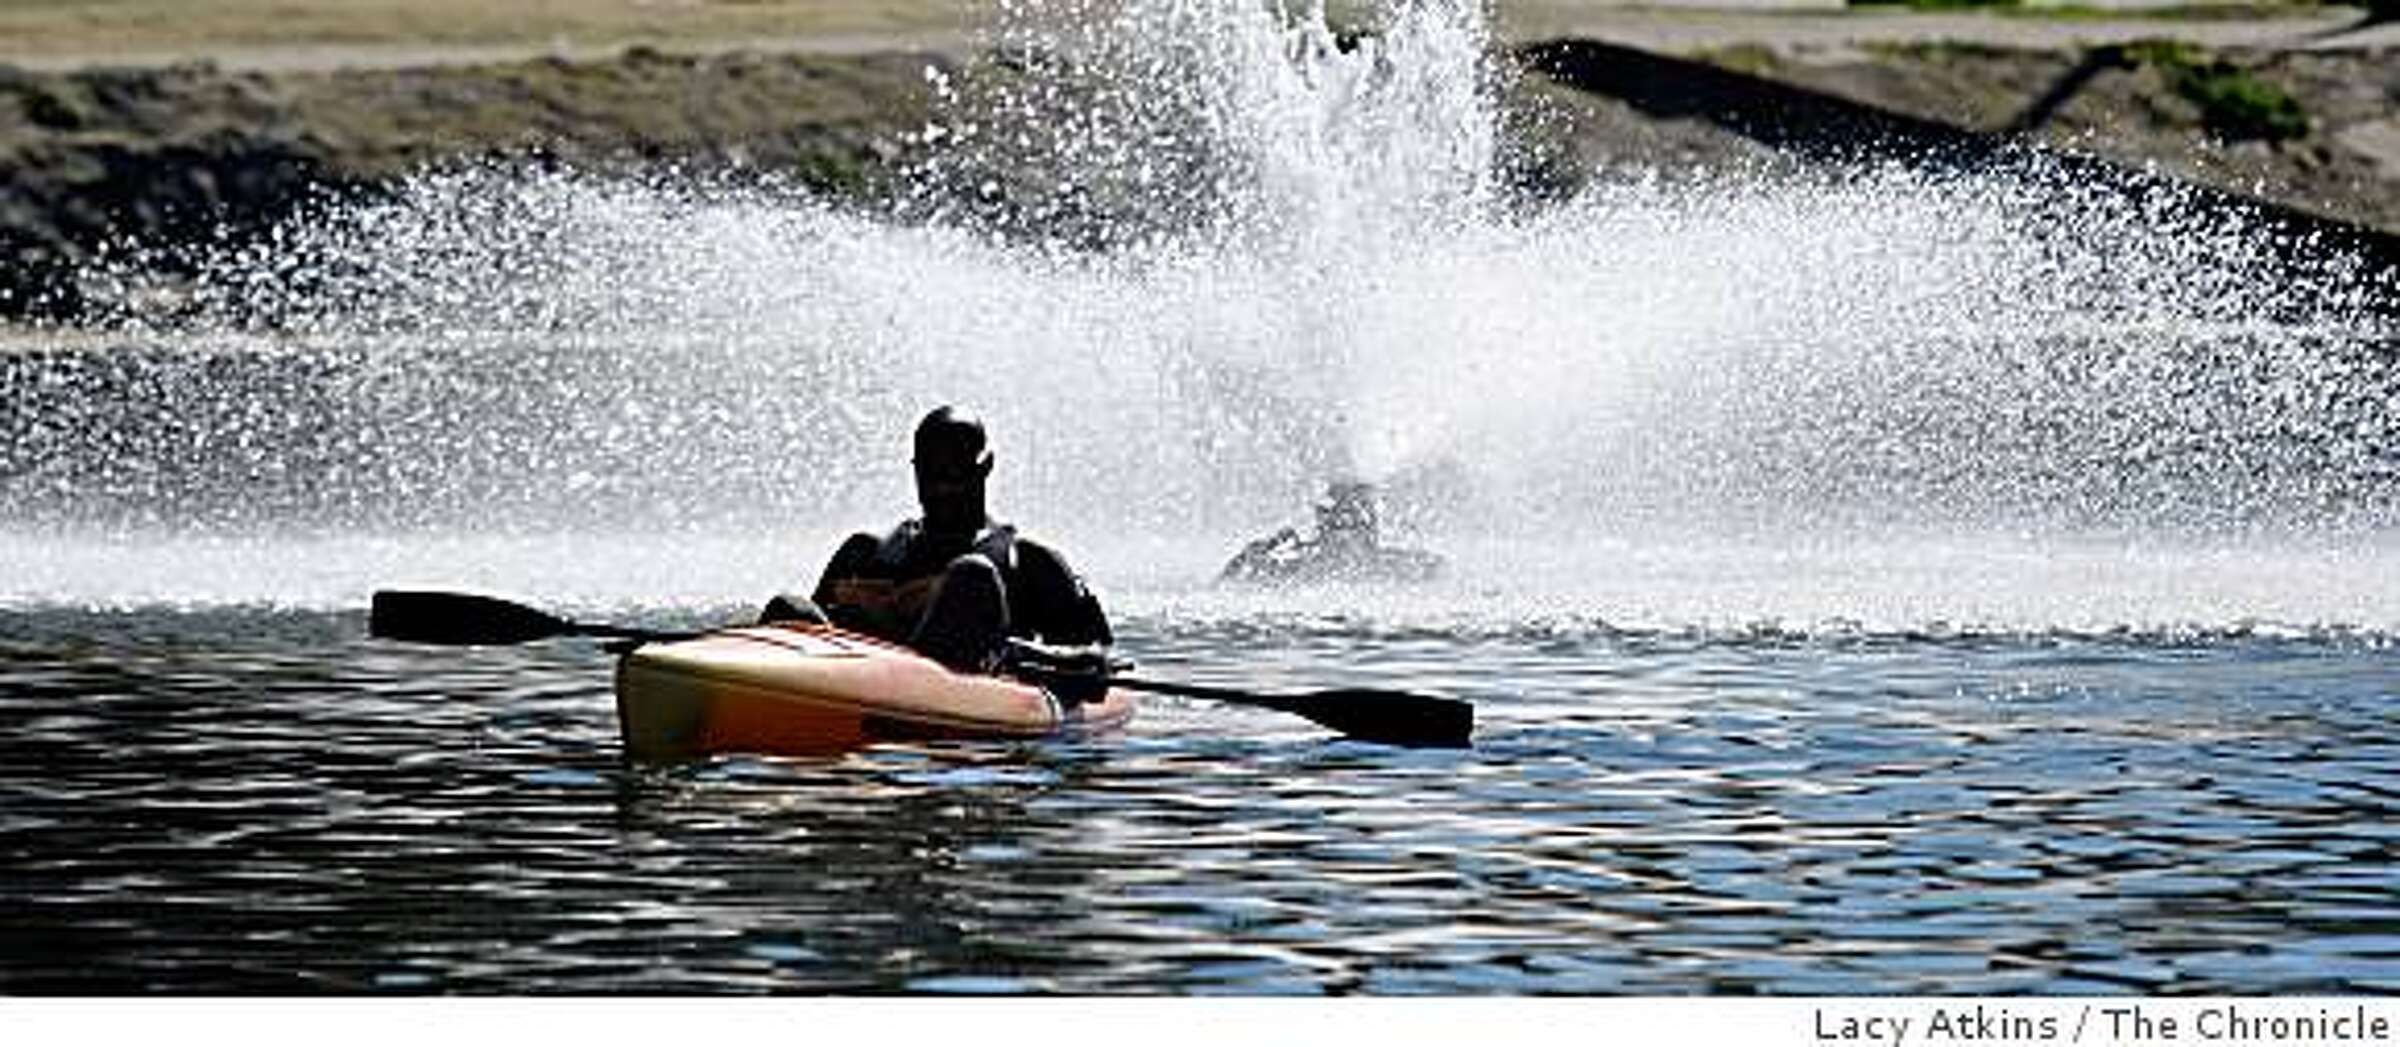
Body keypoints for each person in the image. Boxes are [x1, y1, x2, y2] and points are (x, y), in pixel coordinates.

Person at [761, 406, 1114, 698]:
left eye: (955, 472)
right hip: (865, 696)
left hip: (964, 701)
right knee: (788, 608)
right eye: (930, 474)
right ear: (914, 469)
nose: (942, 487)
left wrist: (1016, 654)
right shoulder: (865, 554)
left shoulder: (1030, 562)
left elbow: (1097, 661)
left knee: (971, 576)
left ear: (985, 466)